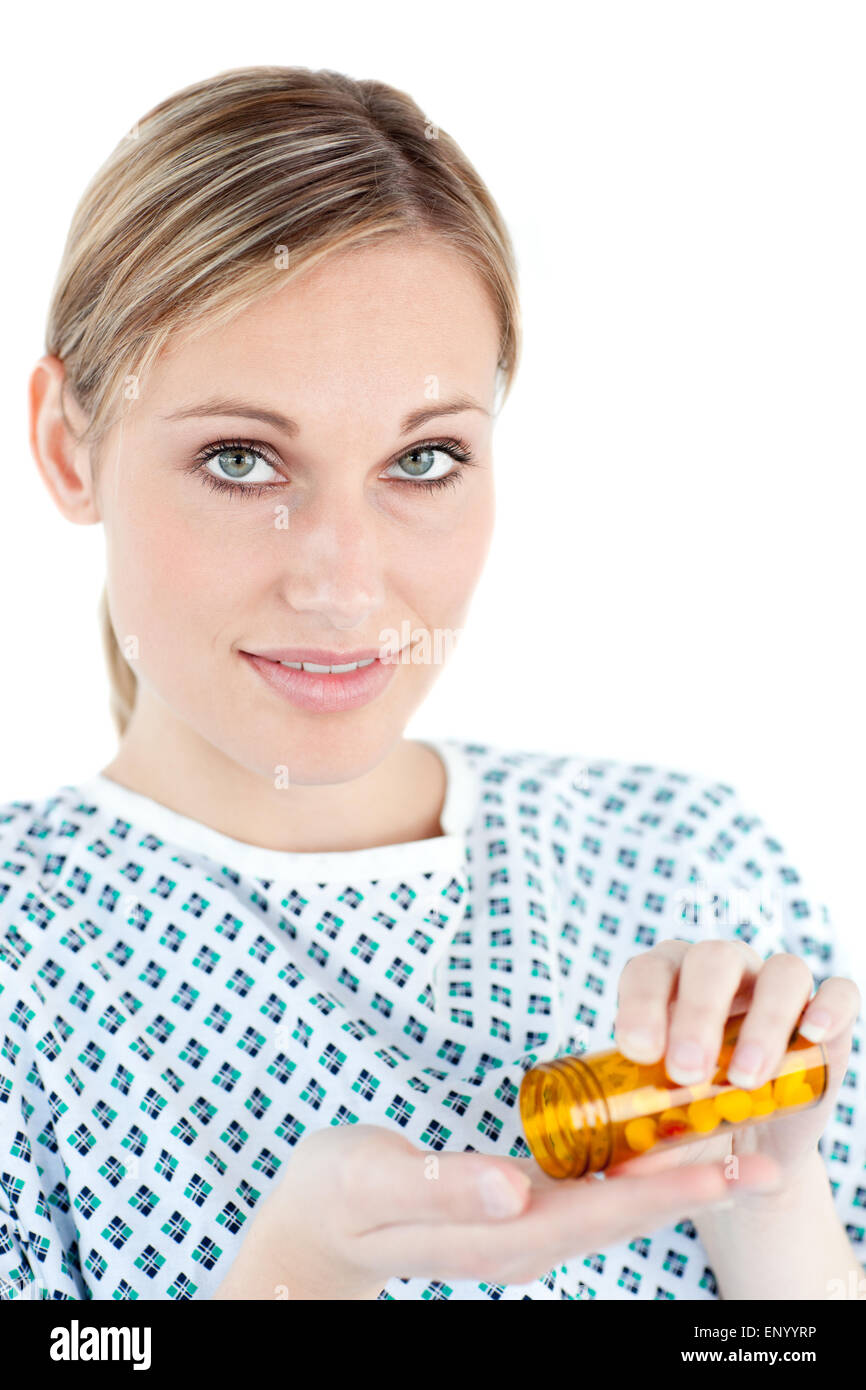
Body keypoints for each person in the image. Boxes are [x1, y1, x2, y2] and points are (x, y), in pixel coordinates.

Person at [1, 64, 862, 1303]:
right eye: (241, 459)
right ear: (65, 448)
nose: (344, 582)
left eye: (423, 457)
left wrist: (768, 1218)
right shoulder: (22, 963)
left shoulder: (689, 868)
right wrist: (286, 1284)